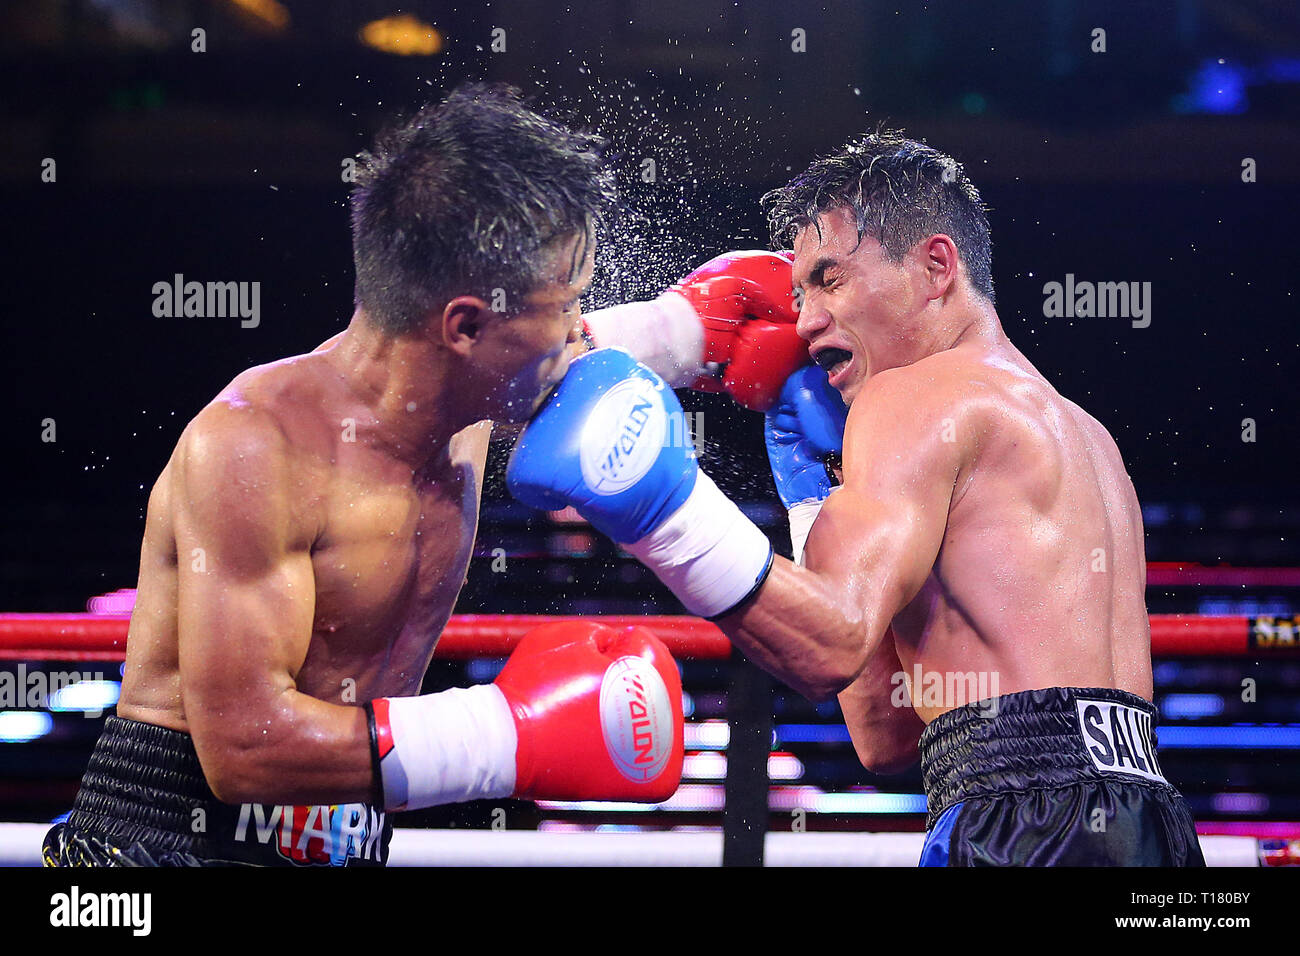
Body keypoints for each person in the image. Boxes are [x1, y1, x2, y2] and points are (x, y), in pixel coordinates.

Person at [507, 130, 1205, 866]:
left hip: (1026, 826)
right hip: (1149, 819)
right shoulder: (1088, 436)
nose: (804, 320)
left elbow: (828, 647)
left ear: (937, 266)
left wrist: (661, 508)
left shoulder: (911, 396)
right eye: (799, 292)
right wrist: (813, 498)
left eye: (830, 280)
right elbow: (887, 735)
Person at [43, 85, 694, 867]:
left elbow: (595, 344)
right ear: (465, 325)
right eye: (566, 305)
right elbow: (245, 750)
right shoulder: (258, 446)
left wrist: (707, 326)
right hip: (162, 852)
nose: (577, 330)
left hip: (347, 844)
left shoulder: (475, 392)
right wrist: (506, 735)